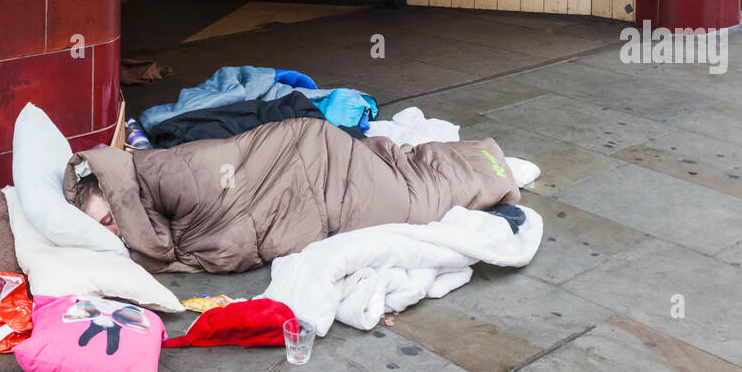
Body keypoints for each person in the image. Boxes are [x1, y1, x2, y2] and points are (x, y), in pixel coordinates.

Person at [64, 115, 522, 275]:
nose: (115, 230)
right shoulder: (145, 199)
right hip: (303, 171)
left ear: (111, 191)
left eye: (107, 218)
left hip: (310, 154)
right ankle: (476, 158)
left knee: (409, 202)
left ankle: (490, 166)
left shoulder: (167, 173)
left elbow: (232, 238)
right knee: (401, 184)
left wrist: (161, 254)